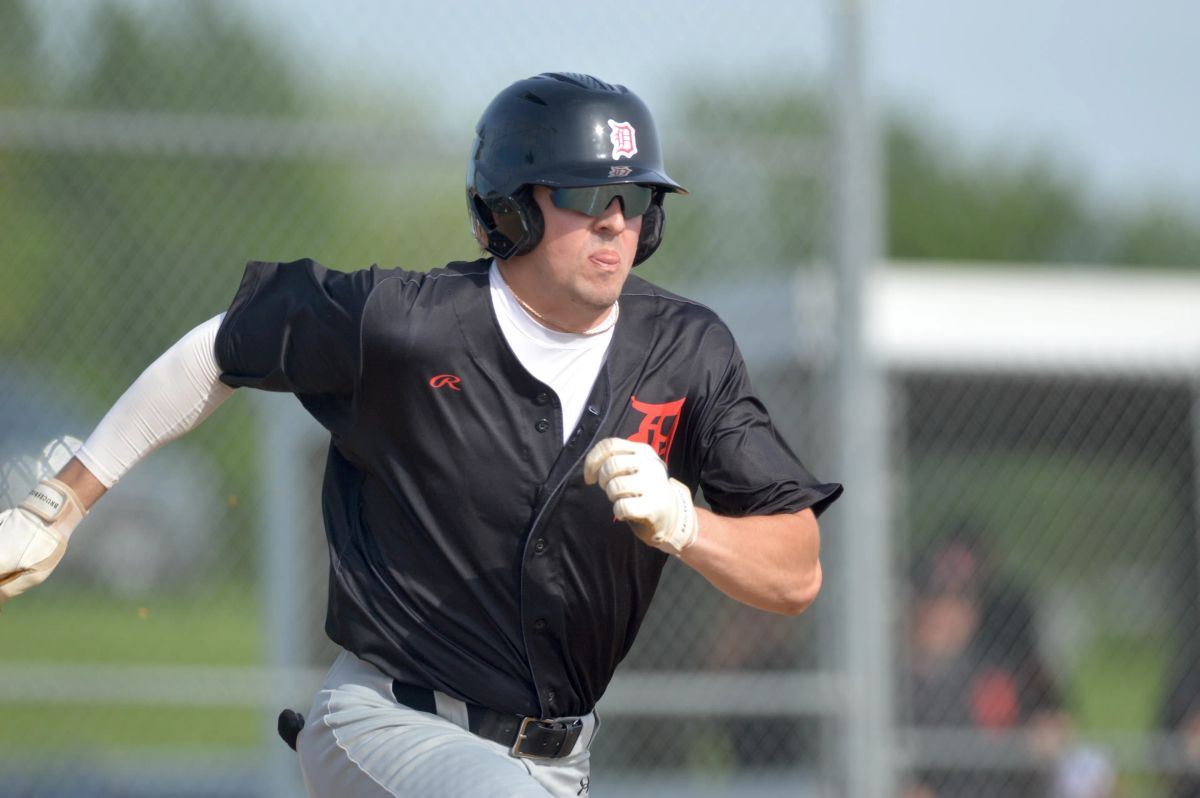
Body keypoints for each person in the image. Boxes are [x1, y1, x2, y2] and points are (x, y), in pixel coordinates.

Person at [0, 72, 842, 798]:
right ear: (510, 211)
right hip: (383, 721)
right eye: (587, 196)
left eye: (637, 199)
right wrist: (60, 505)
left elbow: (796, 569)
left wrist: (687, 525)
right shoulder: (408, 325)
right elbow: (217, 350)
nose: (617, 222)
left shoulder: (687, 352)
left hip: (555, 763)